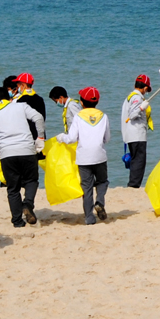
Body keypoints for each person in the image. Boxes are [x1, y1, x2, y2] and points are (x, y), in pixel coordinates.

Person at [0, 86, 47, 227]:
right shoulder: (21, 106)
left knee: (13, 188)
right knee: (31, 180)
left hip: (7, 154)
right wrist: (40, 137)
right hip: (27, 150)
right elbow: (38, 117)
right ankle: (28, 204)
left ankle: (17, 221)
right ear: (9, 98)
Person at [57, 87, 112, 224]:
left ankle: (89, 218)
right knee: (102, 182)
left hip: (83, 158)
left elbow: (71, 138)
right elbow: (108, 138)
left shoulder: (78, 117)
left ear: (81, 102)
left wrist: (60, 137)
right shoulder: (103, 116)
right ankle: (99, 201)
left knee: (86, 188)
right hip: (99, 156)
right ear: (97, 101)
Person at [122, 75, 154, 188]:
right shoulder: (137, 97)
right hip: (137, 134)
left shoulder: (130, 97)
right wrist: (141, 107)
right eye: (147, 90)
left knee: (136, 160)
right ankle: (134, 185)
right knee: (139, 161)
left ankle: (133, 184)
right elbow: (132, 114)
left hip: (131, 134)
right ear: (145, 88)